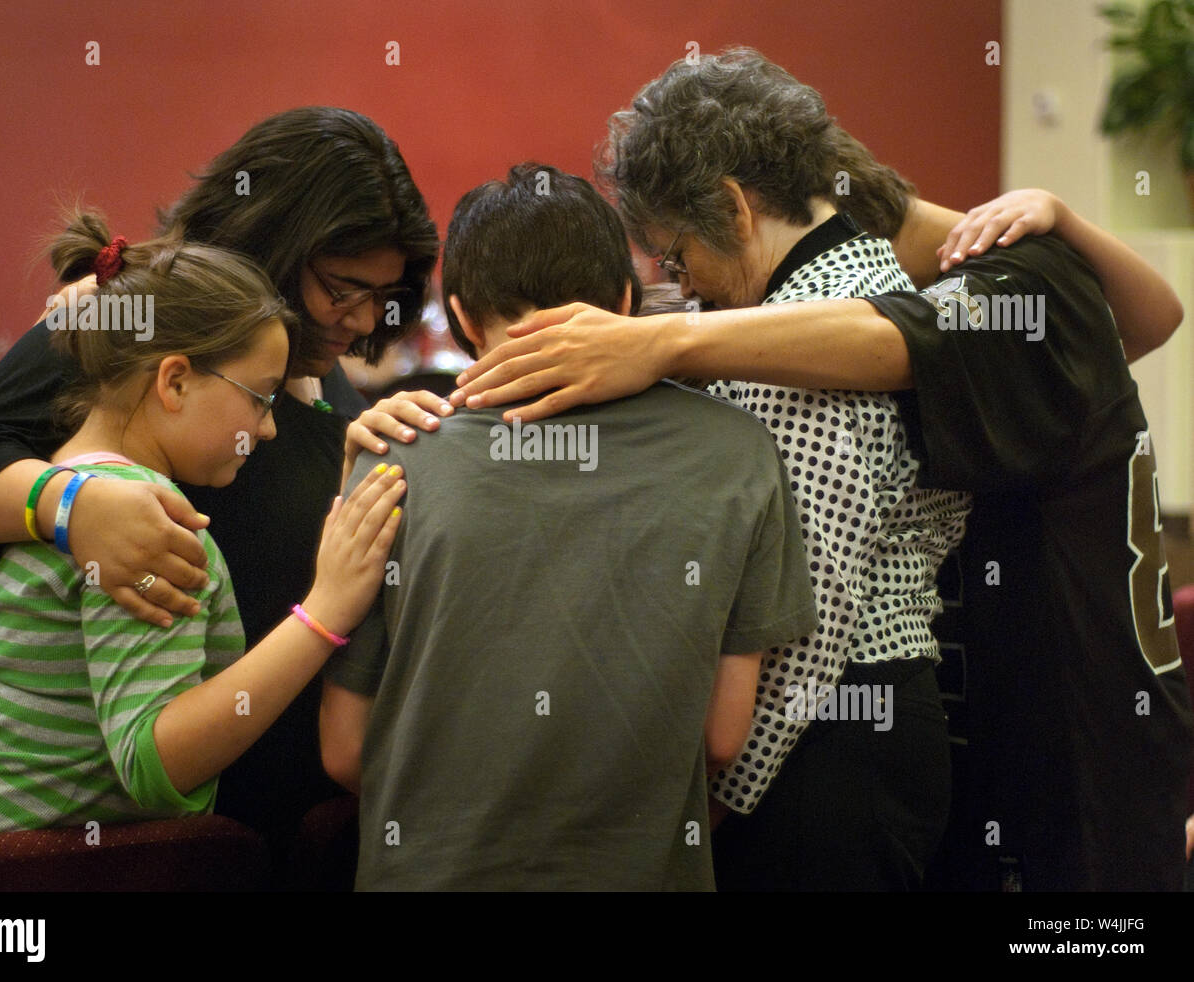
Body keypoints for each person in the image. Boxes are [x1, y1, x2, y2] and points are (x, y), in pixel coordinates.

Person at [444, 142, 1194, 890]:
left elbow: (816, 605)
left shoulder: (944, 299)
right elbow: (1151, 315)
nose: (689, 288)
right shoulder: (995, 275)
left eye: (680, 258)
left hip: (1050, 728)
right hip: (1001, 717)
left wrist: (662, 342)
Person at [0, 107, 440, 858]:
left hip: (264, 823)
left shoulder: (324, 389)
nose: (360, 319)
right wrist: (74, 507)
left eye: (382, 295)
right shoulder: (134, 325)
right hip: (132, 829)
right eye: (340, 287)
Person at [318, 163, 818, 890]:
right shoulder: (739, 453)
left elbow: (344, 749)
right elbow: (722, 736)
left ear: (458, 316)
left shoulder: (391, 459)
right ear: (624, 300)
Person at [572, 50, 971, 890]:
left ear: (732, 206)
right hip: (861, 729)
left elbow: (803, 614)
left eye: (678, 261)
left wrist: (722, 795)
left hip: (831, 742)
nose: (686, 291)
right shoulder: (862, 280)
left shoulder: (804, 333)